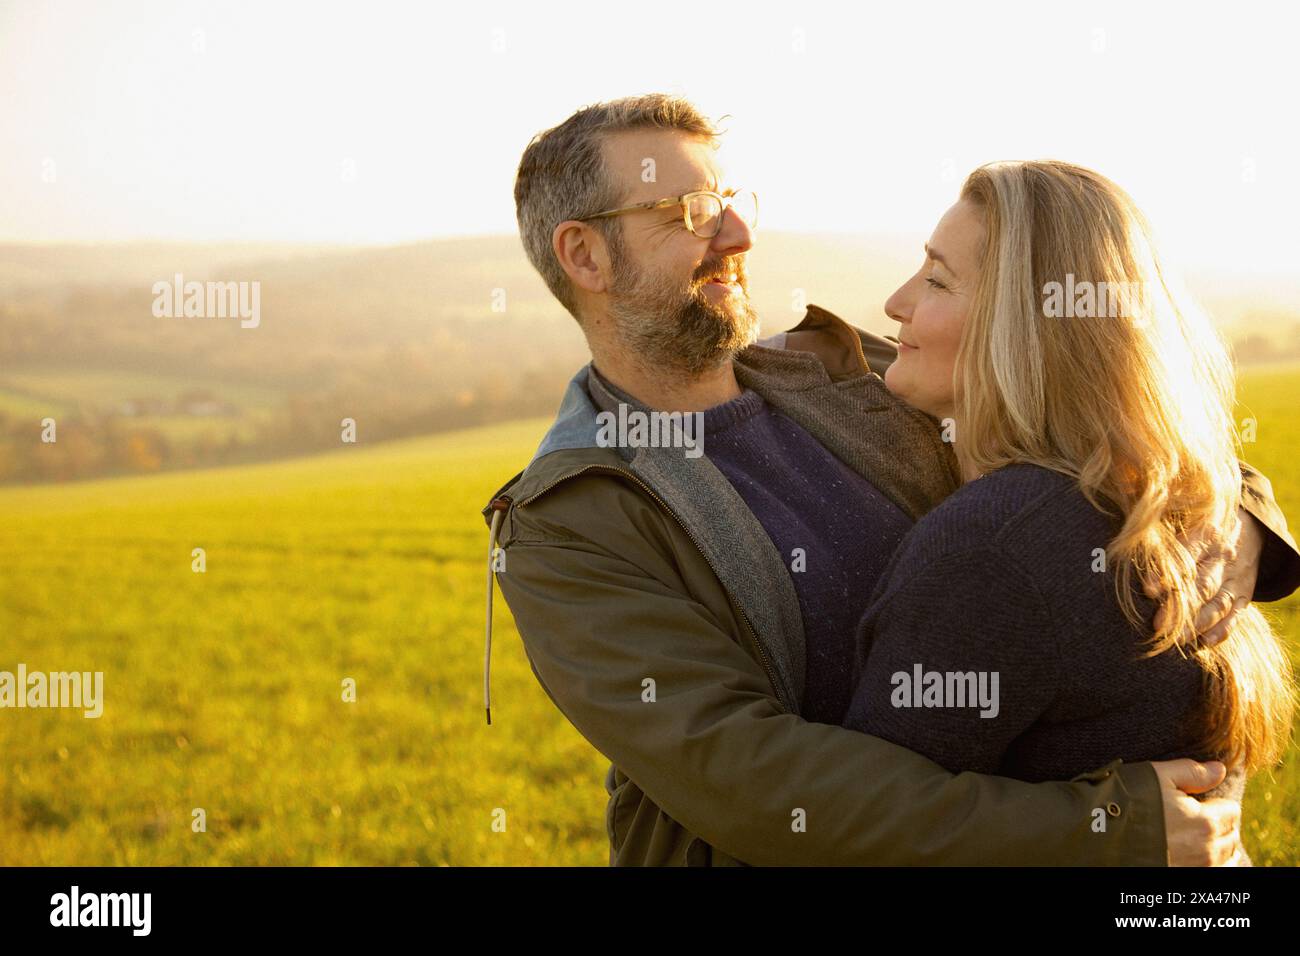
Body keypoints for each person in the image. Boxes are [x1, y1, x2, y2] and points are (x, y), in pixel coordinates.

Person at [482, 94, 1300, 865]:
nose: (736, 232)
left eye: (732, 200)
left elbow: (1093, 411)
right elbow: (757, 785)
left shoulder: (859, 372)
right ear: (584, 254)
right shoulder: (569, 522)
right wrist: (1097, 832)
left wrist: (1240, 515)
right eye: (688, 213)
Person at [843, 162, 1296, 867]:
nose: (896, 302)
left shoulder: (991, 552)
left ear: (1017, 326)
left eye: (936, 280)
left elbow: (870, 836)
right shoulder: (1170, 499)